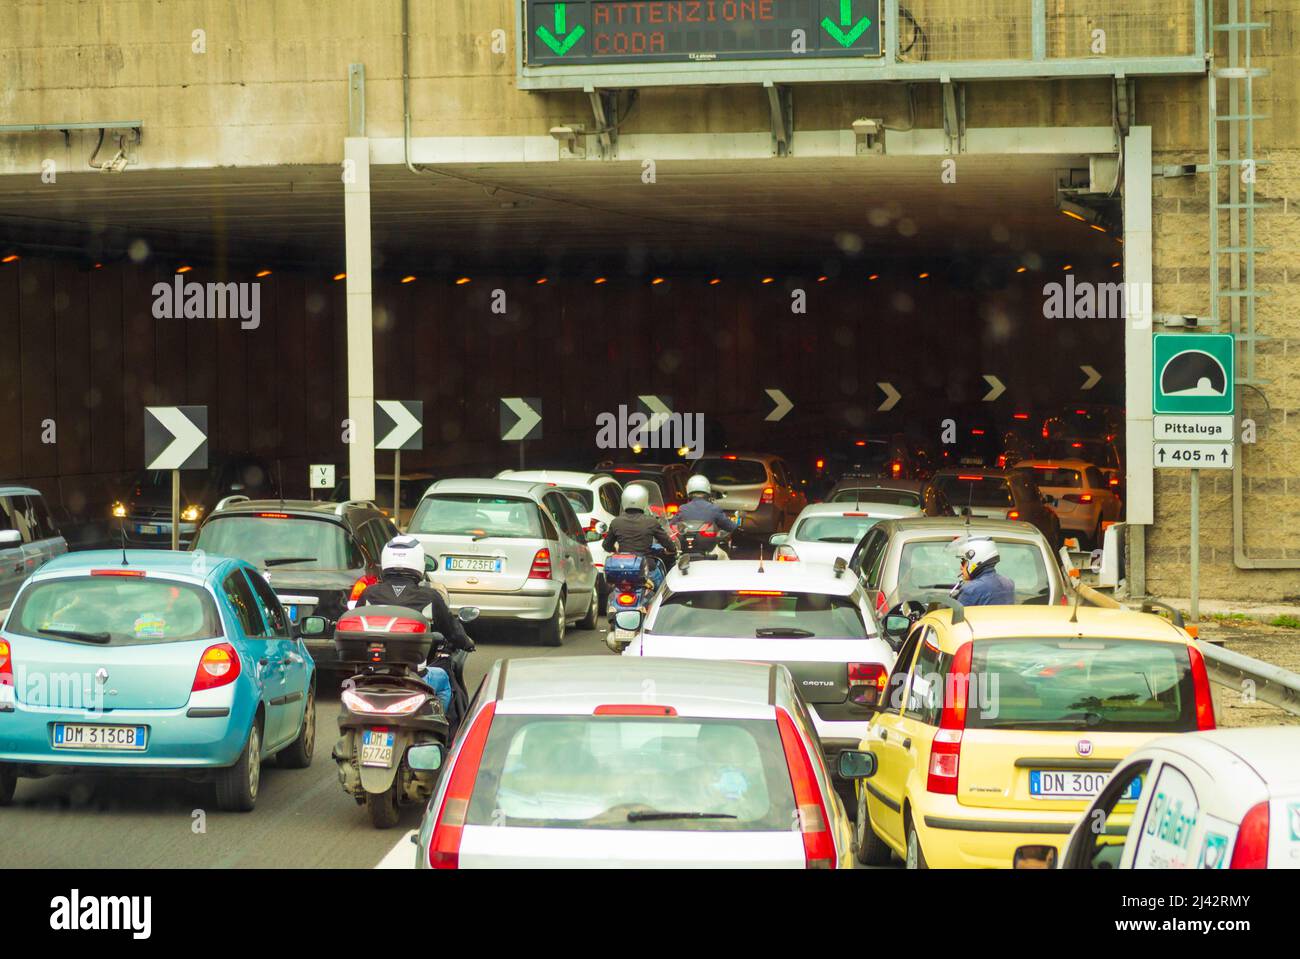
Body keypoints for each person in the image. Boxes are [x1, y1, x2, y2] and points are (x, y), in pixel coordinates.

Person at [357, 535, 474, 716]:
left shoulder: (368, 594)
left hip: (370, 675)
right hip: (415, 676)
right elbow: (451, 630)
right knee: (443, 680)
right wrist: (466, 642)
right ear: (418, 562)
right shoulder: (430, 597)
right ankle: (439, 726)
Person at [602, 484, 677, 588]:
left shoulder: (616, 522)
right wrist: (670, 550)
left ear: (624, 500)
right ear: (644, 501)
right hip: (647, 569)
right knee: (661, 592)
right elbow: (669, 544)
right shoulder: (651, 522)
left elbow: (606, 545)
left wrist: (615, 550)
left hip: (623, 570)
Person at [950, 537, 1017, 606]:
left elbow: (957, 615)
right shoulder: (1009, 583)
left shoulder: (971, 589)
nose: (961, 567)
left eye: (963, 562)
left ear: (975, 560)